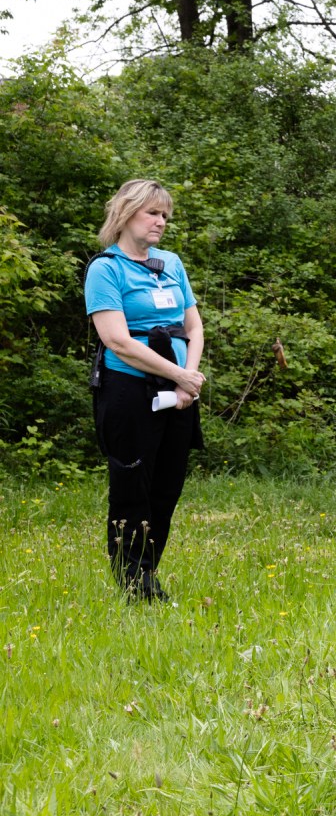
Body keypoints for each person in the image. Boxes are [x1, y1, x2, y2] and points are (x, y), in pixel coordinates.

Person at [85, 180, 206, 602]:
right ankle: (135, 585)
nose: (161, 222)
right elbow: (118, 341)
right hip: (128, 391)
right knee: (132, 485)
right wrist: (180, 375)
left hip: (178, 392)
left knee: (166, 487)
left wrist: (188, 377)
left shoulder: (171, 263)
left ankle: (148, 573)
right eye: (152, 212)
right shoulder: (106, 268)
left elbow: (194, 327)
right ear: (126, 213)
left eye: (165, 215)